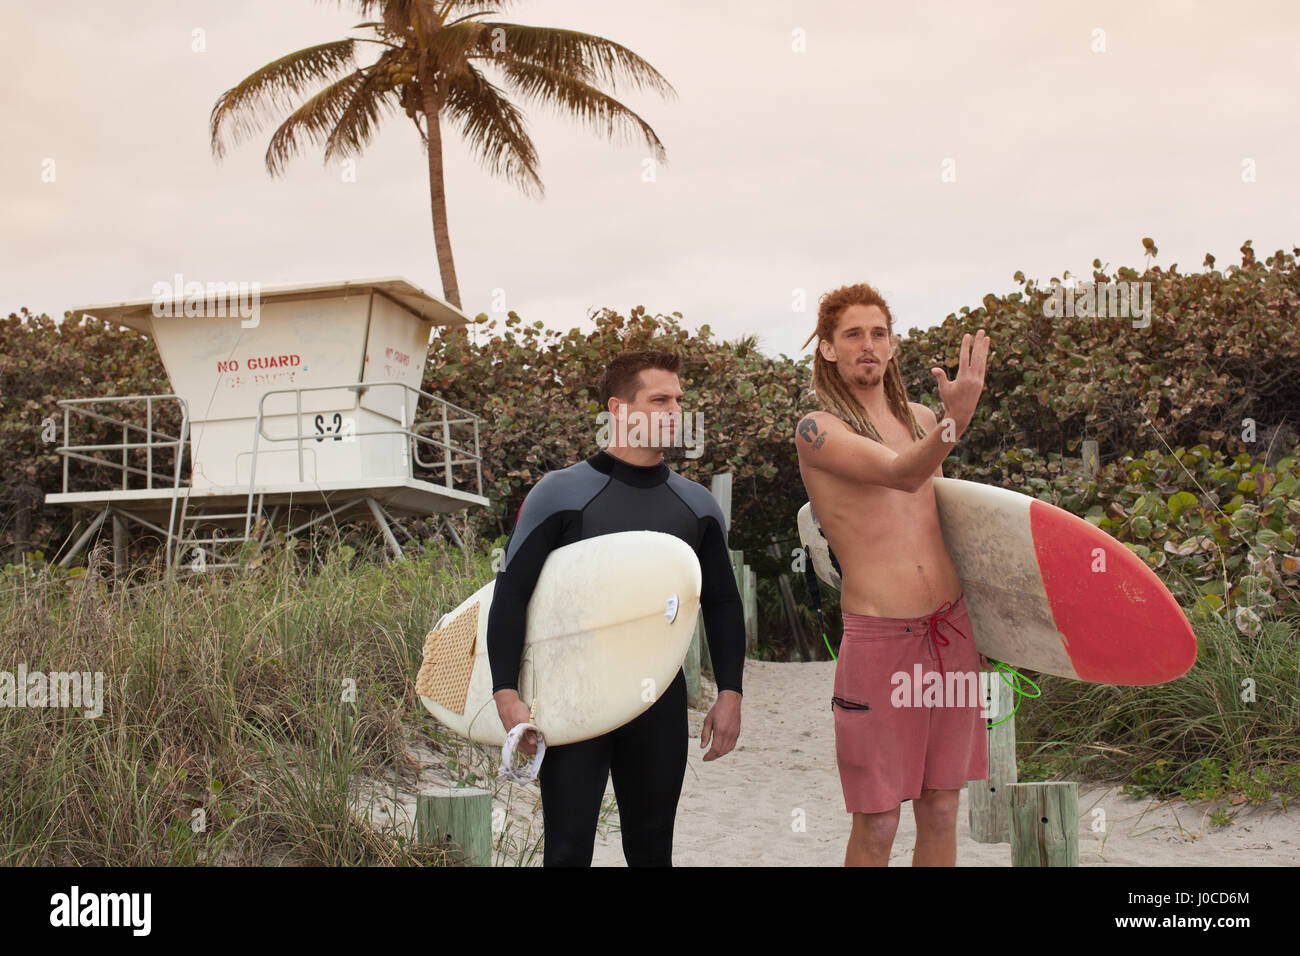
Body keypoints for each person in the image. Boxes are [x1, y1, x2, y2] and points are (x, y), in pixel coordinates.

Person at [487, 350, 745, 866]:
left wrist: (731, 692)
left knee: (652, 849)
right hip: (573, 695)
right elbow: (511, 592)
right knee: (567, 849)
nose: (675, 409)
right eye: (659, 399)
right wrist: (506, 691)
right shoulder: (560, 493)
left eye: (678, 399)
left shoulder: (696, 505)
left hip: (658, 699)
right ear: (619, 409)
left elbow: (720, 601)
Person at [794, 282, 993, 867]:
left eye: (878, 333)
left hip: (950, 633)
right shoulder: (817, 429)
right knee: (879, 821)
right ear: (828, 349)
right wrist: (957, 420)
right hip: (881, 641)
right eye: (852, 334)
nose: (867, 345)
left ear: (893, 344)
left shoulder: (923, 418)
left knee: (941, 809)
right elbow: (904, 474)